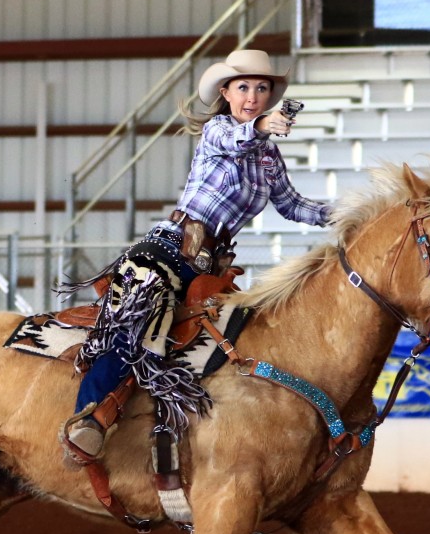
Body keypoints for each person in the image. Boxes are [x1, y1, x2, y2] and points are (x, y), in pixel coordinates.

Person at [61, 49, 332, 464]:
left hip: (211, 269)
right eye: (243, 87)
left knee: (231, 345)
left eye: (262, 89)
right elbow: (239, 136)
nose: (253, 96)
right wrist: (261, 126)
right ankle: (88, 419)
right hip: (169, 250)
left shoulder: (269, 158)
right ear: (226, 92)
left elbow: (294, 206)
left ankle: (191, 443)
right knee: (141, 324)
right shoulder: (219, 131)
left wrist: (345, 215)